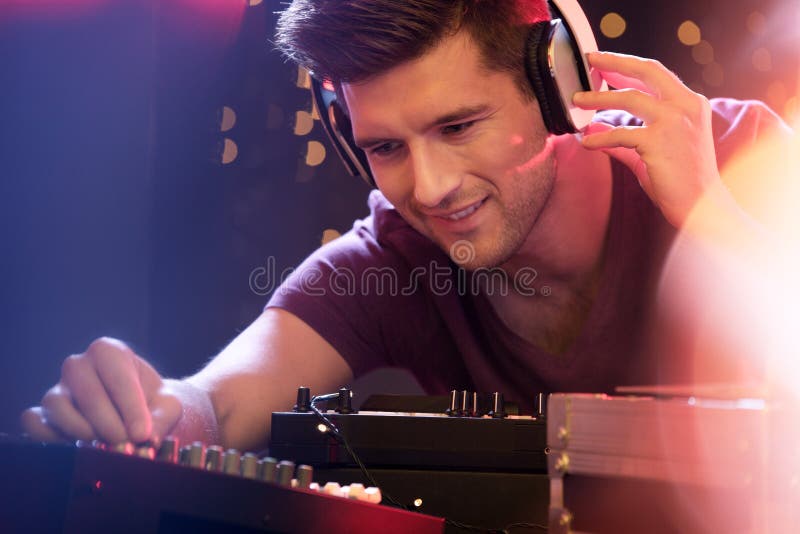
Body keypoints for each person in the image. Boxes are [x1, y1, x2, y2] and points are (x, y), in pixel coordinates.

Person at [20, 0, 792, 453]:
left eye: (459, 126)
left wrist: (712, 220)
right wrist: (142, 409)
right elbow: (218, 404)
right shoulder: (395, 252)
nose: (428, 189)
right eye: (385, 147)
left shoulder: (735, 158)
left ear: (563, 84)